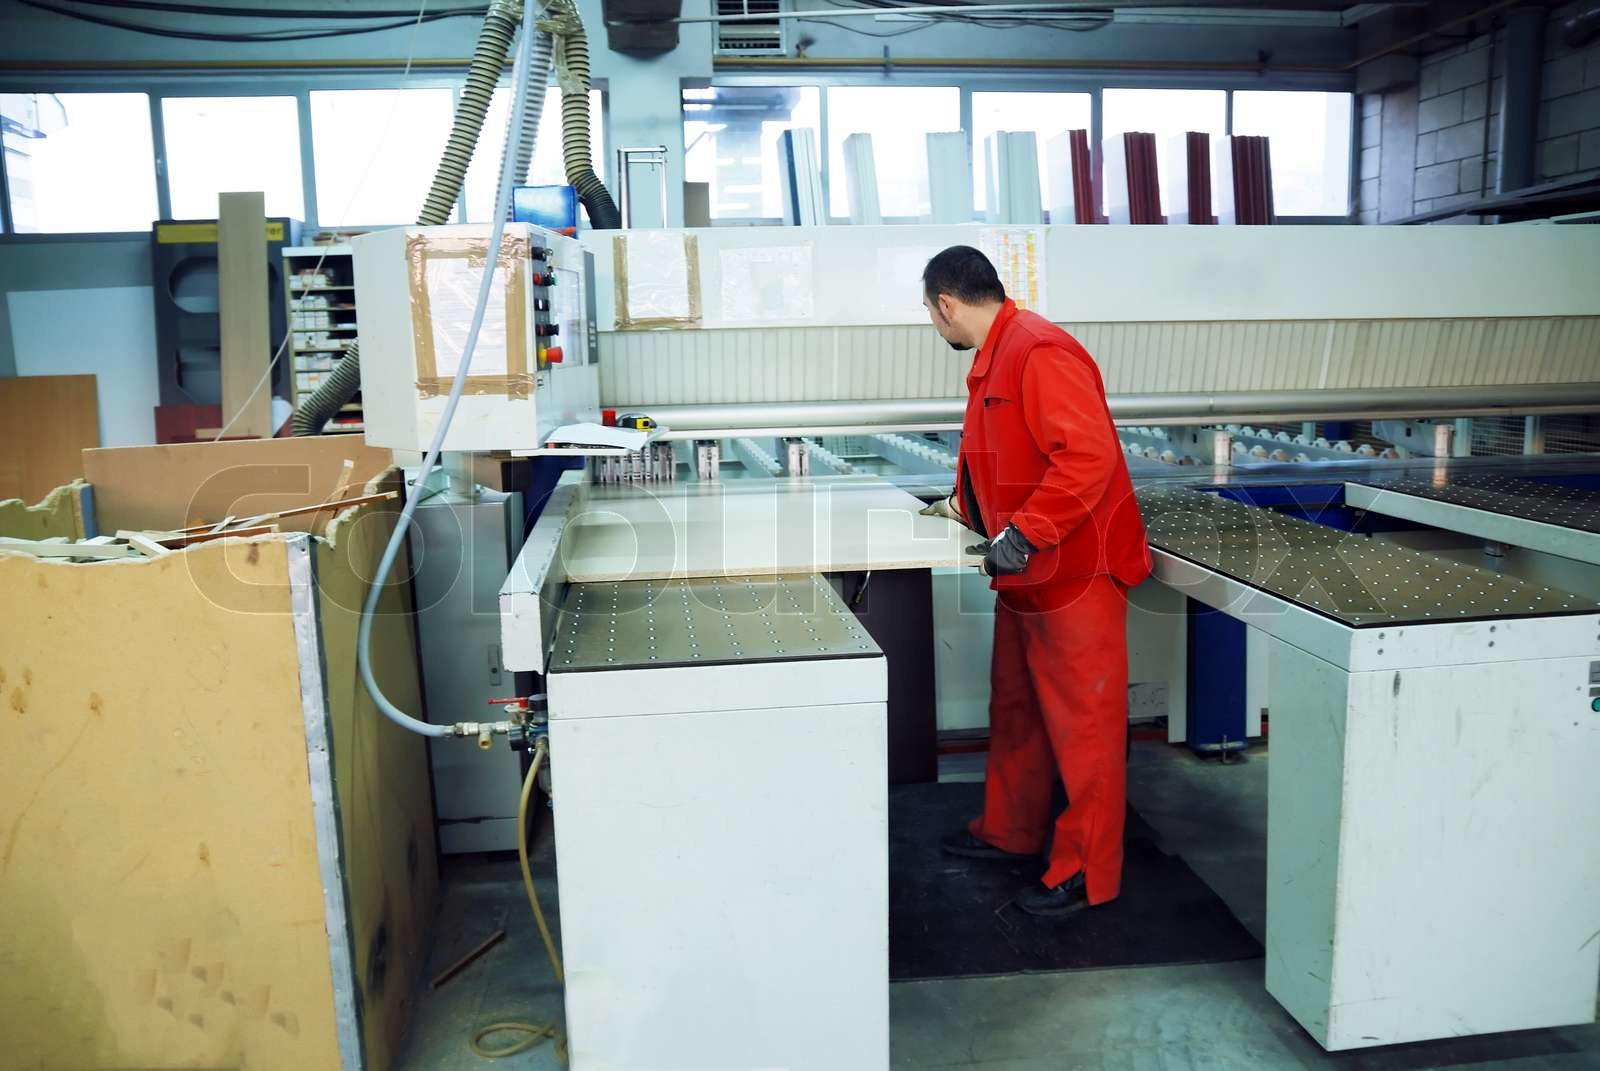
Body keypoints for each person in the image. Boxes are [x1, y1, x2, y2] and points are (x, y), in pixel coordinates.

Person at [918, 245, 1150, 918]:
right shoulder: (998, 354)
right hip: (1029, 571)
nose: (936, 327)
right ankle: (1012, 831)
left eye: (932, 315)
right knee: (1016, 708)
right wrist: (966, 504)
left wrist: (1022, 533)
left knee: (1086, 731)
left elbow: (1088, 457)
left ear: (947, 304)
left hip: (1075, 572)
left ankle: (1088, 871)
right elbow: (1010, 449)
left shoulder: (1038, 351)